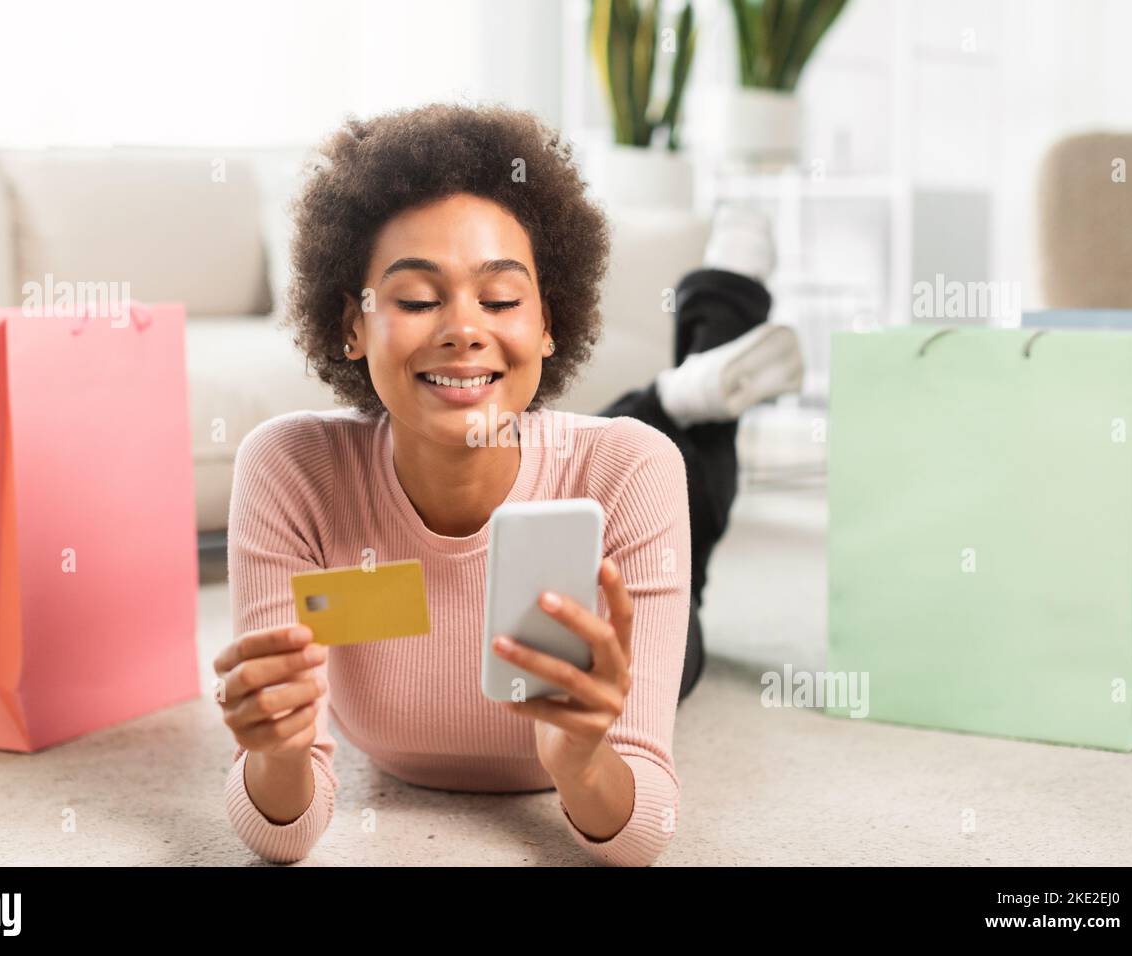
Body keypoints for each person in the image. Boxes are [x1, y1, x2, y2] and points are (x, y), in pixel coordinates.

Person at [214, 103, 800, 867]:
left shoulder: (629, 470)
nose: (463, 328)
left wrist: (584, 760)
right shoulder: (291, 468)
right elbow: (280, 830)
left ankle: (721, 301)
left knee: (691, 472)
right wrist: (276, 753)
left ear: (550, 322)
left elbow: (645, 829)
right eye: (418, 299)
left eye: (500, 300)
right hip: (564, 443)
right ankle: (681, 390)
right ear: (350, 325)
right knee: (649, 427)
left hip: (626, 599)